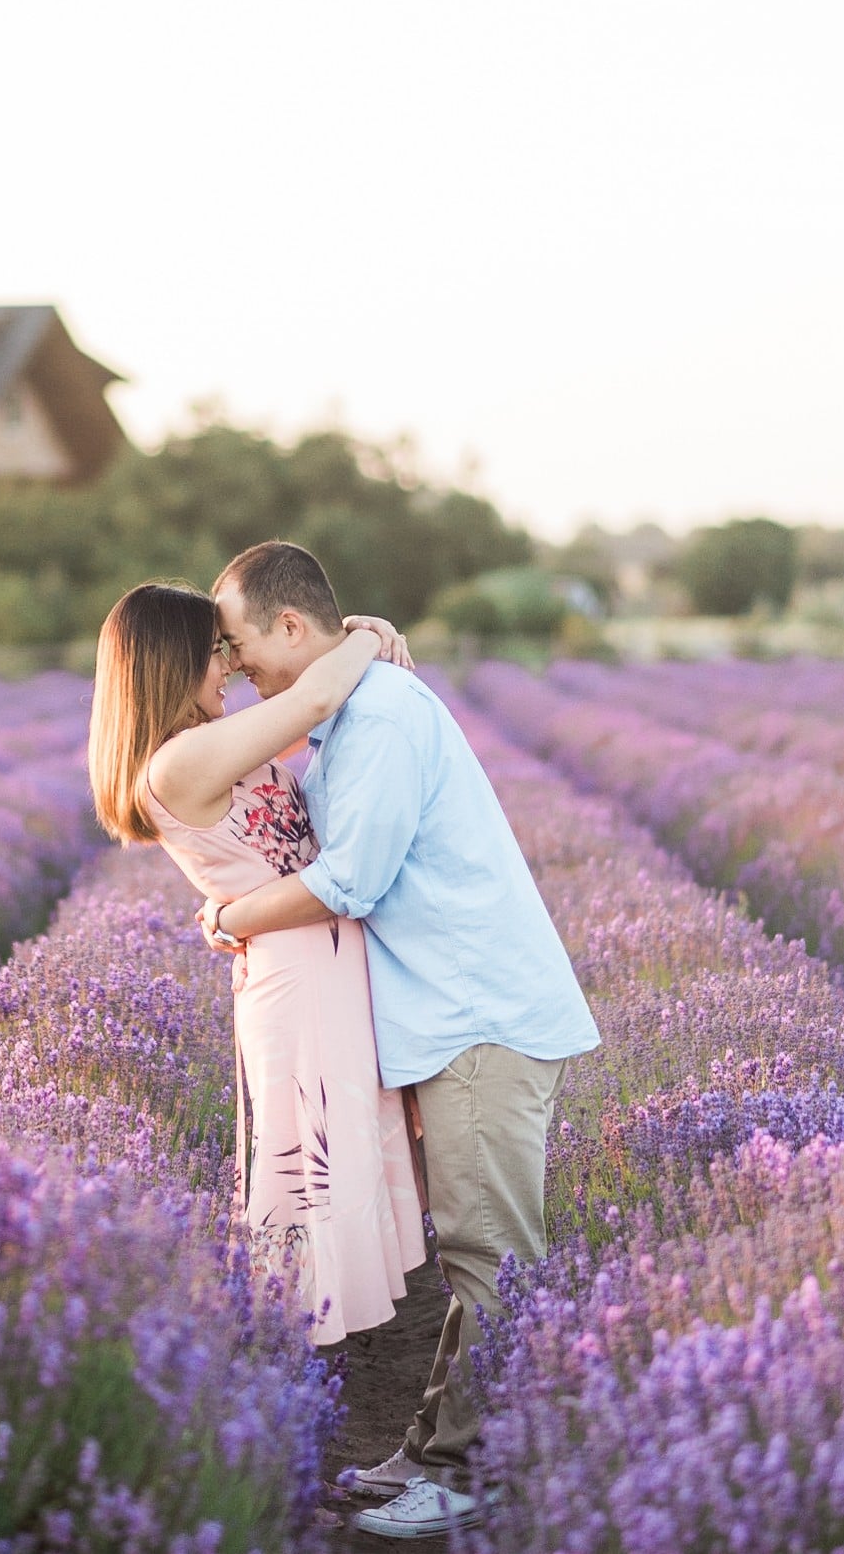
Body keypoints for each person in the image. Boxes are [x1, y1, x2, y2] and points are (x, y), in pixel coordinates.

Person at [201, 541, 600, 1542]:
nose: (238, 666)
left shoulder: (376, 717)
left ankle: (473, 1475)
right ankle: (433, 1448)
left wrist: (234, 915)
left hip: (478, 1019)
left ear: (291, 626)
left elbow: (351, 881)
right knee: (472, 1252)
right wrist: (371, 634)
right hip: (446, 1018)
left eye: (242, 643)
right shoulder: (354, 706)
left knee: (488, 1257)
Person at [87, 581, 428, 1350]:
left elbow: (311, 701)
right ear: (170, 662)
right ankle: (288, 1361)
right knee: (305, 1173)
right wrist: (369, 634)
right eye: (215, 653)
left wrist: (354, 630)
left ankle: (316, 1361)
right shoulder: (174, 763)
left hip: (320, 963)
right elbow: (310, 704)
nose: (230, 670)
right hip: (298, 980)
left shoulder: (203, 746)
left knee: (334, 1157)